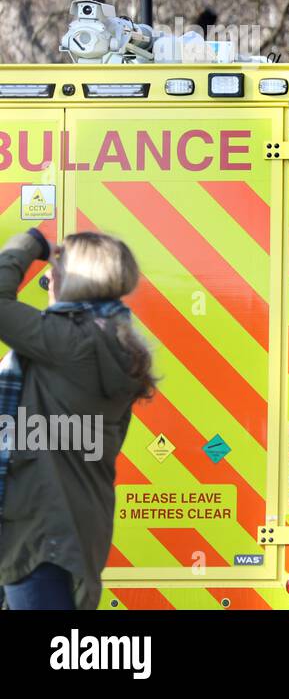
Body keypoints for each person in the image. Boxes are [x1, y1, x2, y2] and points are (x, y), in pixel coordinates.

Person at [0, 229, 156, 610]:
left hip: (40, 530)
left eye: (55, 270)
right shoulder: (119, 345)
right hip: (75, 524)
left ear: (74, 279)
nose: (48, 278)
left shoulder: (70, 342)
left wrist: (28, 245)